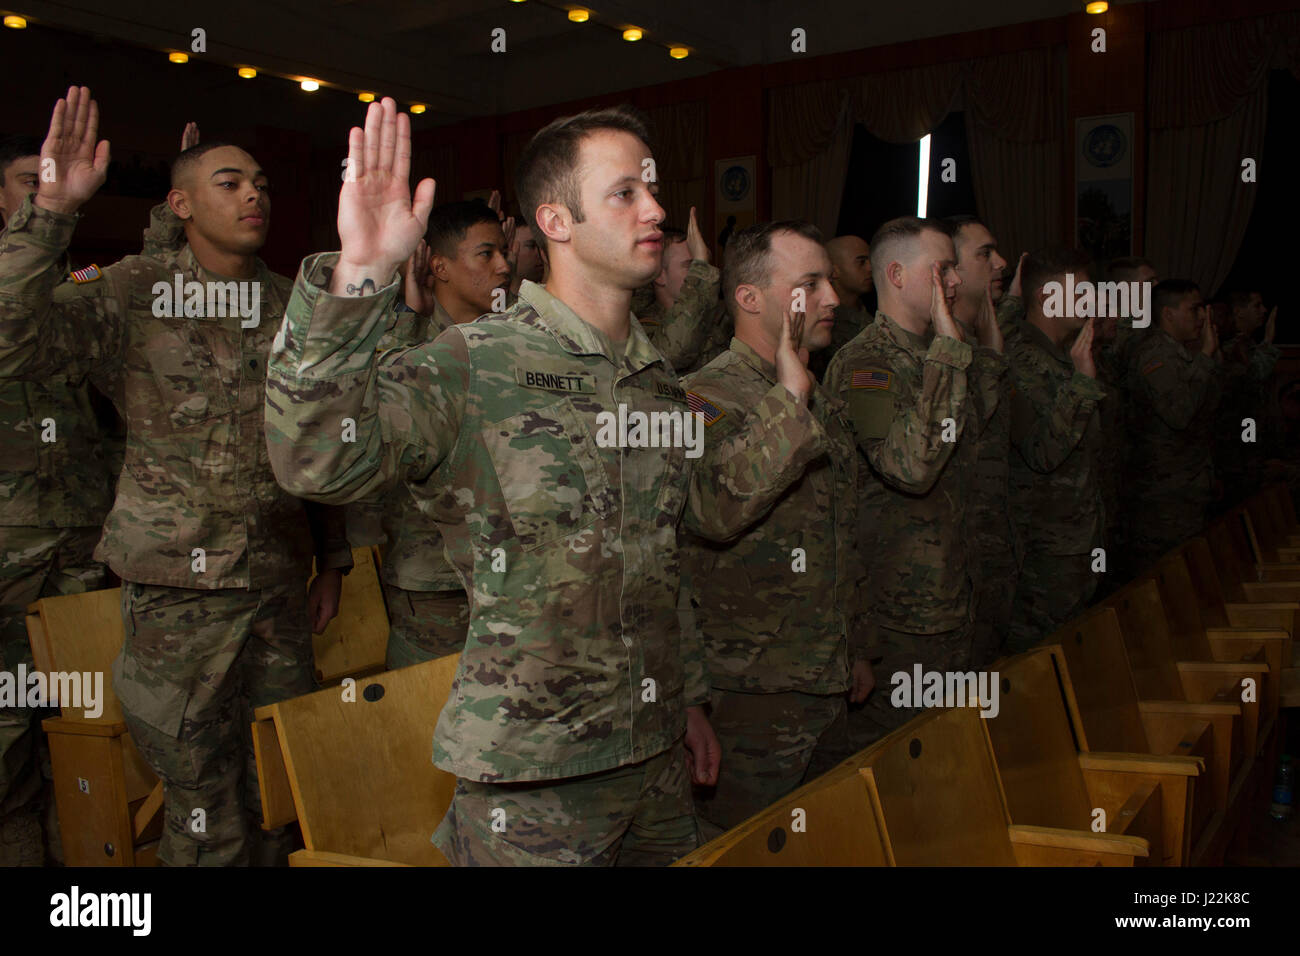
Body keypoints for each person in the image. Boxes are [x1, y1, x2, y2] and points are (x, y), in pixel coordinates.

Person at [265, 99, 822, 866]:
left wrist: (687, 695)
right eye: (625, 192)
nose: (655, 209)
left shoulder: (654, 380)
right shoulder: (475, 361)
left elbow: (684, 532)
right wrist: (361, 272)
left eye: (652, 187)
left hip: (654, 756)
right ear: (556, 221)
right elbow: (313, 458)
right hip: (538, 778)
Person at [0, 87, 351, 866]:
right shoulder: (132, 292)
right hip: (177, 598)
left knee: (281, 790)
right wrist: (51, 213)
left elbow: (319, 441)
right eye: (229, 183)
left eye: (260, 181)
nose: (253, 193)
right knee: (200, 809)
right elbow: (11, 340)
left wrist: (333, 558)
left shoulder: (292, 304)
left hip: (276, 588)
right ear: (181, 204)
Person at [682, 221, 873, 837]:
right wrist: (788, 397)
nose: (833, 299)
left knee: (829, 842)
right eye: (809, 285)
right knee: (741, 848)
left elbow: (842, 534)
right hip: (748, 694)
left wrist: (854, 646)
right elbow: (714, 509)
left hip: (827, 678)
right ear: (749, 297)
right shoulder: (699, 398)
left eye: (830, 283)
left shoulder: (822, 397)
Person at [826, 216, 1003, 751]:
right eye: (941, 268)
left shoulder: (942, 352)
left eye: (955, 267)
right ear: (898, 274)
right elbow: (910, 467)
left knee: (949, 750)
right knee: (901, 760)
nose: (954, 281)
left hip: (955, 596)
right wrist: (951, 353)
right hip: (899, 617)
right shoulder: (867, 364)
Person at [0, 134, 114, 865]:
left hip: (80, 542)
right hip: (8, 549)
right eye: (25, 180)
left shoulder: (83, 293)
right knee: (7, 727)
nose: (43, 190)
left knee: (84, 724)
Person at [379, 200, 510, 667]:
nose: (504, 266)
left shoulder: (506, 342)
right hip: (434, 578)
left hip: (504, 572)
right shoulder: (411, 342)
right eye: (486, 254)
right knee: (423, 722)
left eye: (504, 251)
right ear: (440, 266)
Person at [1005, 247, 1107, 652]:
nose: (1093, 303)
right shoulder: (1021, 362)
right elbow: (1042, 453)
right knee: (1037, 672)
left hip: (1075, 547)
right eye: (1081, 293)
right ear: (1049, 298)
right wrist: (1082, 385)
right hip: (1041, 559)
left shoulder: (1065, 357)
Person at [945, 216, 1015, 665]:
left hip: (995, 553)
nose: (1001, 262)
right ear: (950, 271)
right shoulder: (937, 350)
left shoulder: (984, 341)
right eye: (984, 254)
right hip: (950, 576)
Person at [1122, 280, 1221, 575]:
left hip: (1186, 486)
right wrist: (1204, 357)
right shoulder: (1156, 356)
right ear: (1168, 314)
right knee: (1164, 579)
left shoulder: (1180, 353)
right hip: (1162, 496)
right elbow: (1180, 414)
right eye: (1194, 310)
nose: (1202, 317)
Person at [1214, 291, 1280, 508]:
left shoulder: (1248, 345)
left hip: (1248, 432)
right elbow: (1255, 375)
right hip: (1237, 439)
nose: (1263, 311)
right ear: (1238, 312)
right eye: (1256, 305)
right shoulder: (1232, 346)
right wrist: (1269, 340)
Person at [637, 208, 721, 374]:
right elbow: (672, 354)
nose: (700, 273)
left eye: (700, 266)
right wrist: (702, 266)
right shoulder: (642, 326)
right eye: (691, 266)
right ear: (660, 275)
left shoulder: (716, 314)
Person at [809, 234, 872, 380]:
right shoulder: (822, 323)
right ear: (834, 271)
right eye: (861, 262)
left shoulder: (872, 319)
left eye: (870, 260)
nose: (870, 268)